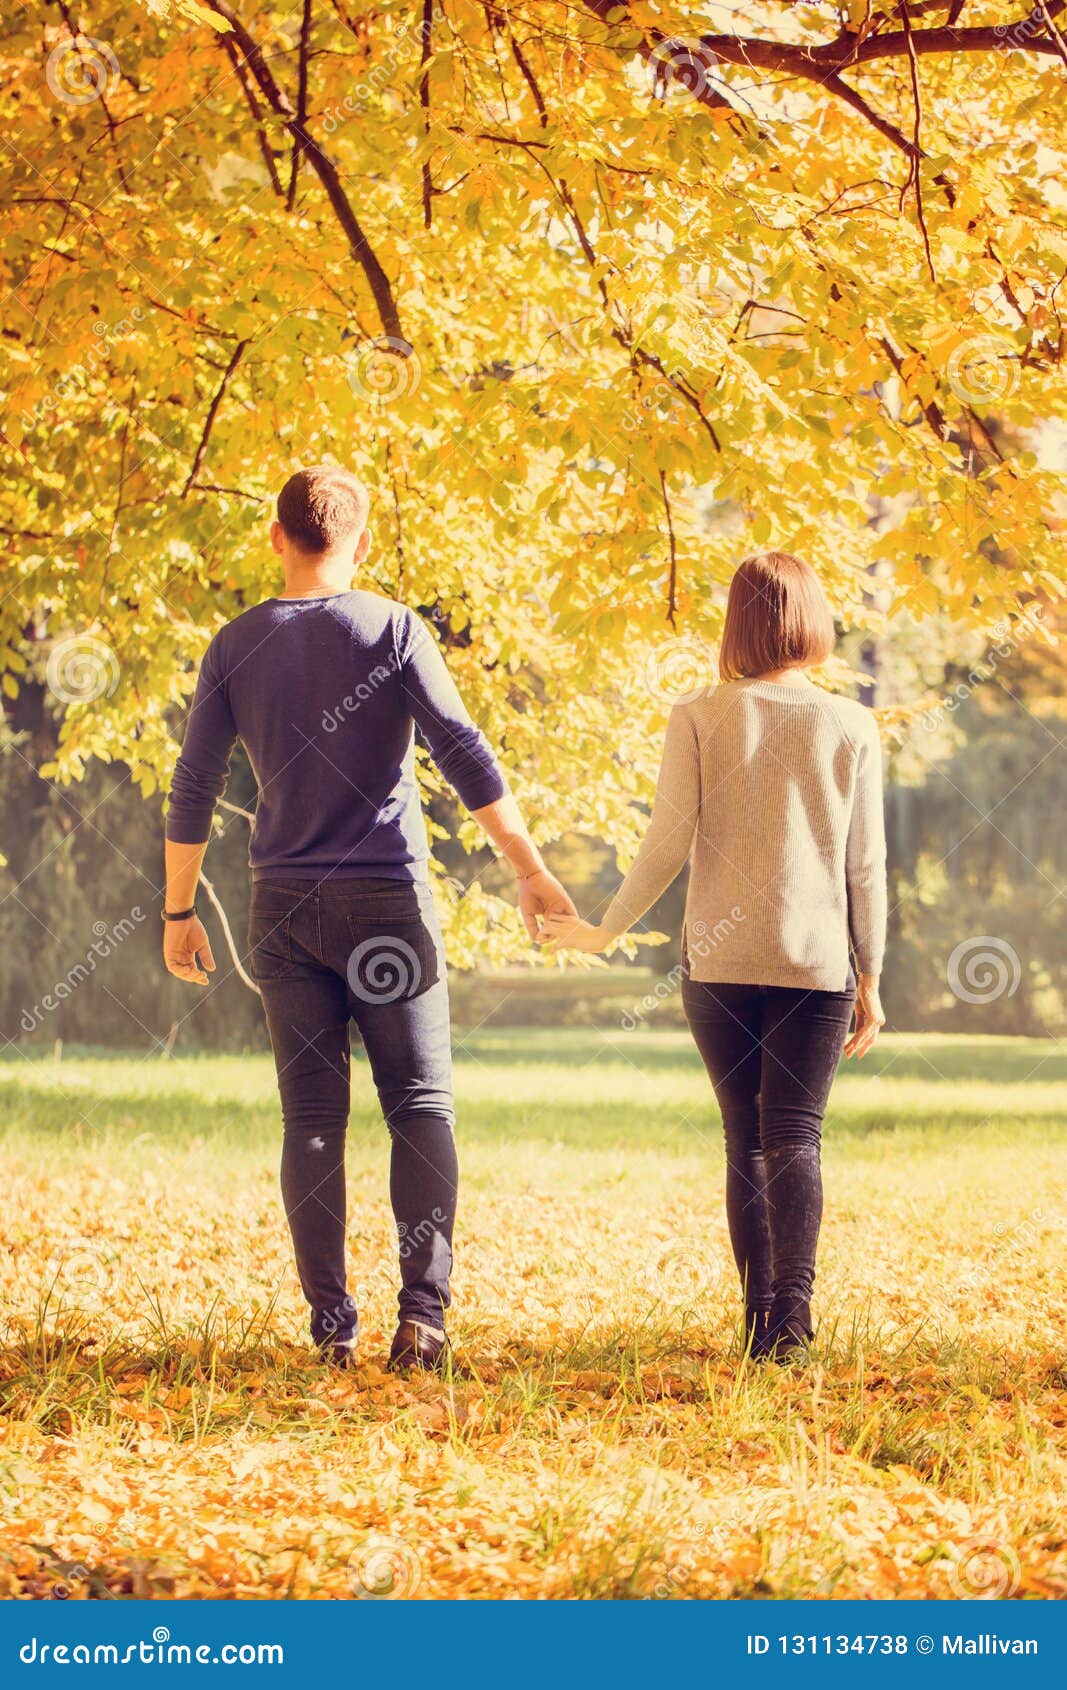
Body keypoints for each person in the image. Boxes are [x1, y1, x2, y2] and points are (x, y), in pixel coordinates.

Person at [162, 465, 575, 1373]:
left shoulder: (234, 645)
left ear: (276, 537)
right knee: (419, 1106)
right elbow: (461, 747)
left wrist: (178, 909)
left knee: (311, 1114)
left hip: (283, 907)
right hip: (387, 901)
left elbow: (194, 784)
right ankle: (421, 1321)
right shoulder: (392, 628)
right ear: (361, 543)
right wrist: (529, 867)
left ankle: (330, 1329)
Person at [542, 552, 887, 1362]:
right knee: (795, 1137)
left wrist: (605, 929)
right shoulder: (851, 723)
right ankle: (788, 1328)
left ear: (736, 622)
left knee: (747, 1141)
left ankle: (757, 1319)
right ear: (812, 618)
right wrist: (869, 973)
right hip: (814, 966)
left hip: (719, 964)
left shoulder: (696, 713)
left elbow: (665, 843)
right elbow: (864, 865)